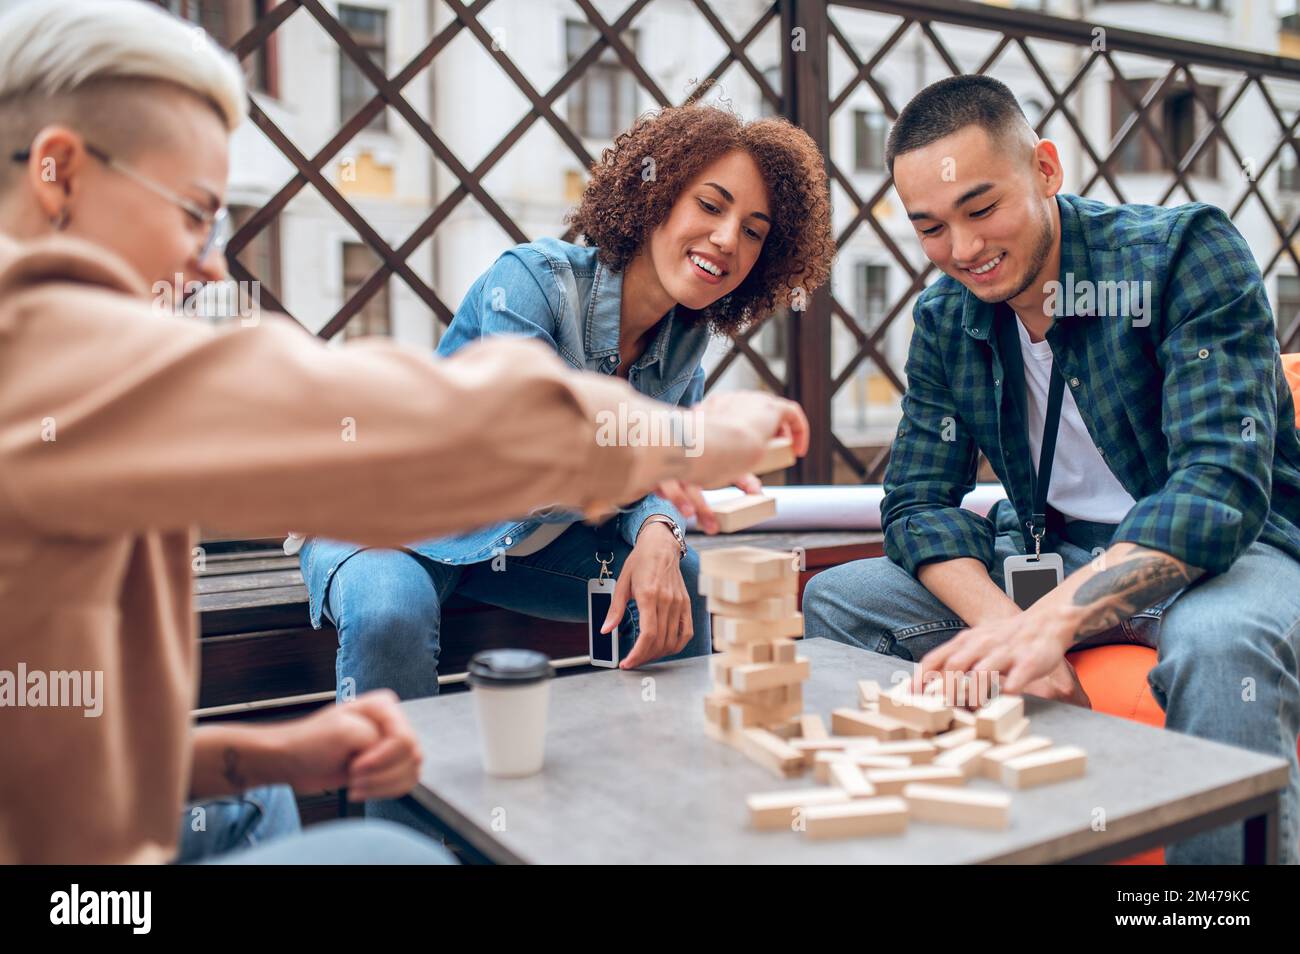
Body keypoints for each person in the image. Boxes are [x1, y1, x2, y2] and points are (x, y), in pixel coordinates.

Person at [0, 0, 804, 864]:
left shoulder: (75, 371)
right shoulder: (48, 351)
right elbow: (457, 433)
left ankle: (668, 809)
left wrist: (270, 754)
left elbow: (61, 768)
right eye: (197, 212)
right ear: (60, 172)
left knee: (261, 794)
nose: (208, 262)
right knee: (394, 841)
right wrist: (695, 440)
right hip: (410, 539)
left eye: (220, 224)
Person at [802, 74, 1300, 864]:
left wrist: (1055, 623)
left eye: (980, 208)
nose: (963, 251)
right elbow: (916, 504)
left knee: (1222, 648)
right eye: (930, 227)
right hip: (1053, 554)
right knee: (837, 599)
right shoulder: (946, 318)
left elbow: (1218, 489)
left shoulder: (1183, 253)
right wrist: (1010, 628)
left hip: (1225, 557)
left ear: (1045, 169)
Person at [296, 104, 834, 727]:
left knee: (679, 570)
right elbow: (535, 436)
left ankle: (661, 796)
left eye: (753, 230)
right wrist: (689, 442)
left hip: (511, 540)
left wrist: (663, 528)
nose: (727, 239)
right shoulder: (528, 281)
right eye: (711, 206)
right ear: (656, 195)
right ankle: (397, 826)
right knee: (390, 612)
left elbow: (651, 488)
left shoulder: (684, 346)